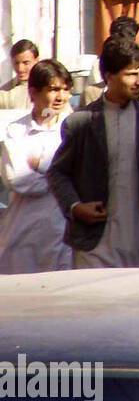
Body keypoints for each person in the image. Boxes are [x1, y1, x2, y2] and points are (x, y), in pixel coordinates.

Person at [49, 37, 139, 268]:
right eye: (131, 74)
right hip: (95, 248)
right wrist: (76, 207)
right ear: (108, 77)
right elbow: (58, 174)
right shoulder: (81, 123)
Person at [0, 59, 74, 272]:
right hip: (23, 232)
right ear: (33, 92)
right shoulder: (16, 131)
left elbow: (80, 174)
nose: (61, 97)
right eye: (53, 89)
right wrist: (60, 176)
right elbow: (17, 179)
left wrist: (40, 164)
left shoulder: (74, 128)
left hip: (62, 232)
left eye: (65, 90)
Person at [0, 40, 39, 110]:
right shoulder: (6, 89)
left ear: (36, 60)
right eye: (16, 63)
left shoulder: (46, 87)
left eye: (26, 63)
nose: (20, 69)